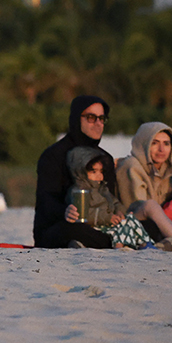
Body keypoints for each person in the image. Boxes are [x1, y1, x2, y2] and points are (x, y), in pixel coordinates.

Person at [34, 96, 115, 248]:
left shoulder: (105, 159)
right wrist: (65, 211)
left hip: (99, 225)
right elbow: (46, 200)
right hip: (58, 228)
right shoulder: (53, 155)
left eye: (102, 119)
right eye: (91, 118)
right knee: (72, 230)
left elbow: (110, 197)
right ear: (77, 119)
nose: (98, 124)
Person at [65, 147, 151, 249]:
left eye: (101, 172)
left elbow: (115, 202)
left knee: (130, 219)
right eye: (94, 172)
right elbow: (85, 213)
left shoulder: (102, 189)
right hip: (97, 226)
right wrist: (107, 218)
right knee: (122, 226)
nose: (100, 177)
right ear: (80, 172)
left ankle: (145, 243)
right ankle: (120, 246)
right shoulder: (78, 192)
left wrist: (120, 212)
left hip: (109, 222)